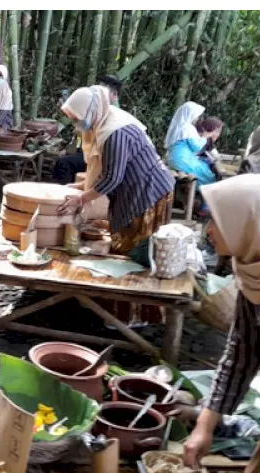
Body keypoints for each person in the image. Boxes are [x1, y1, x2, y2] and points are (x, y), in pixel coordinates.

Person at [57, 85, 175, 326]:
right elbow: (102, 172)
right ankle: (119, 310)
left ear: (90, 112)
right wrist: (80, 189)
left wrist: (81, 198)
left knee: (138, 253)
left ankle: (137, 315)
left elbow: (112, 178)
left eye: (76, 119)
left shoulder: (114, 132)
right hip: (135, 190)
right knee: (125, 245)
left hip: (148, 193)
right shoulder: (104, 122)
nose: (76, 124)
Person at [181, 175, 260, 473]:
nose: (209, 230)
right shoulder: (252, 272)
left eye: (216, 220)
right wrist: (205, 426)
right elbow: (241, 352)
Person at [52, 76, 123, 184]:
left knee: (64, 163)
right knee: (66, 160)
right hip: (91, 150)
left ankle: (65, 193)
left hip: (103, 157)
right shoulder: (96, 102)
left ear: (114, 94)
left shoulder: (112, 113)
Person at [165, 101, 219, 188]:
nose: (197, 118)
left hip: (173, 159)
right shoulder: (187, 128)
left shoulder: (179, 127)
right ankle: (205, 197)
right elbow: (196, 147)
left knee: (204, 166)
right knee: (208, 175)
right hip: (182, 160)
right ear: (190, 114)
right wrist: (206, 137)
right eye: (196, 115)